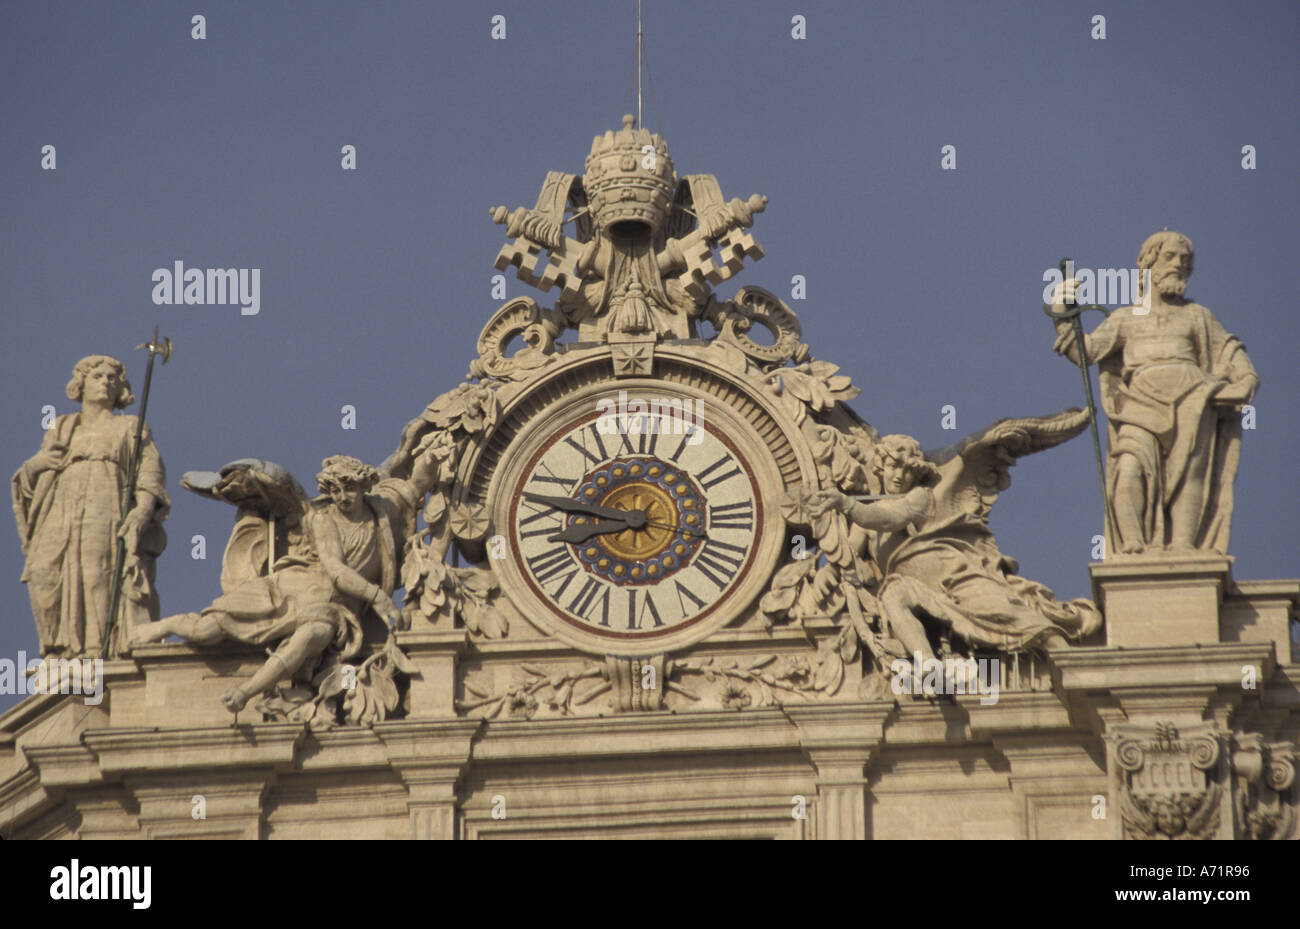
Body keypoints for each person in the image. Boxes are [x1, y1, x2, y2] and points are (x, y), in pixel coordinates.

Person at [133, 452, 438, 712]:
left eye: (349, 488)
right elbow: (335, 570)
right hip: (291, 588)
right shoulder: (323, 519)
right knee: (207, 629)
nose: (343, 497)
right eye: (335, 490)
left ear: (363, 486)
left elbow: (416, 483)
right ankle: (164, 627)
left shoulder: (381, 512)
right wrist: (378, 596)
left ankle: (246, 692)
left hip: (331, 606)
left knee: (314, 634)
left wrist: (432, 454)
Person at [1049, 231, 1259, 553]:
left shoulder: (1197, 315)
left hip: (1193, 398)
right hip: (1139, 403)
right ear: (1148, 263)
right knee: (1129, 466)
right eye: (1170, 257)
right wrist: (1062, 314)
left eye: (1185, 261)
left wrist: (1245, 377)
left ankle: (1184, 546)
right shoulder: (1125, 318)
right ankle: (1133, 542)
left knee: (1190, 471)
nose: (1179, 265)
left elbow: (1228, 351)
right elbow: (1086, 351)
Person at [12, 355, 168, 658]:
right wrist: (36, 465)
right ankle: (58, 647)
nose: (106, 383)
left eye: (112, 378)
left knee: (98, 571)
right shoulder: (62, 426)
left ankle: (96, 650)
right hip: (61, 501)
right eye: (98, 376)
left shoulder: (131, 426)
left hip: (106, 494)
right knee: (43, 571)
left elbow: (150, 472)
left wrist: (143, 510)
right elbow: (29, 480)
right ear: (81, 384)